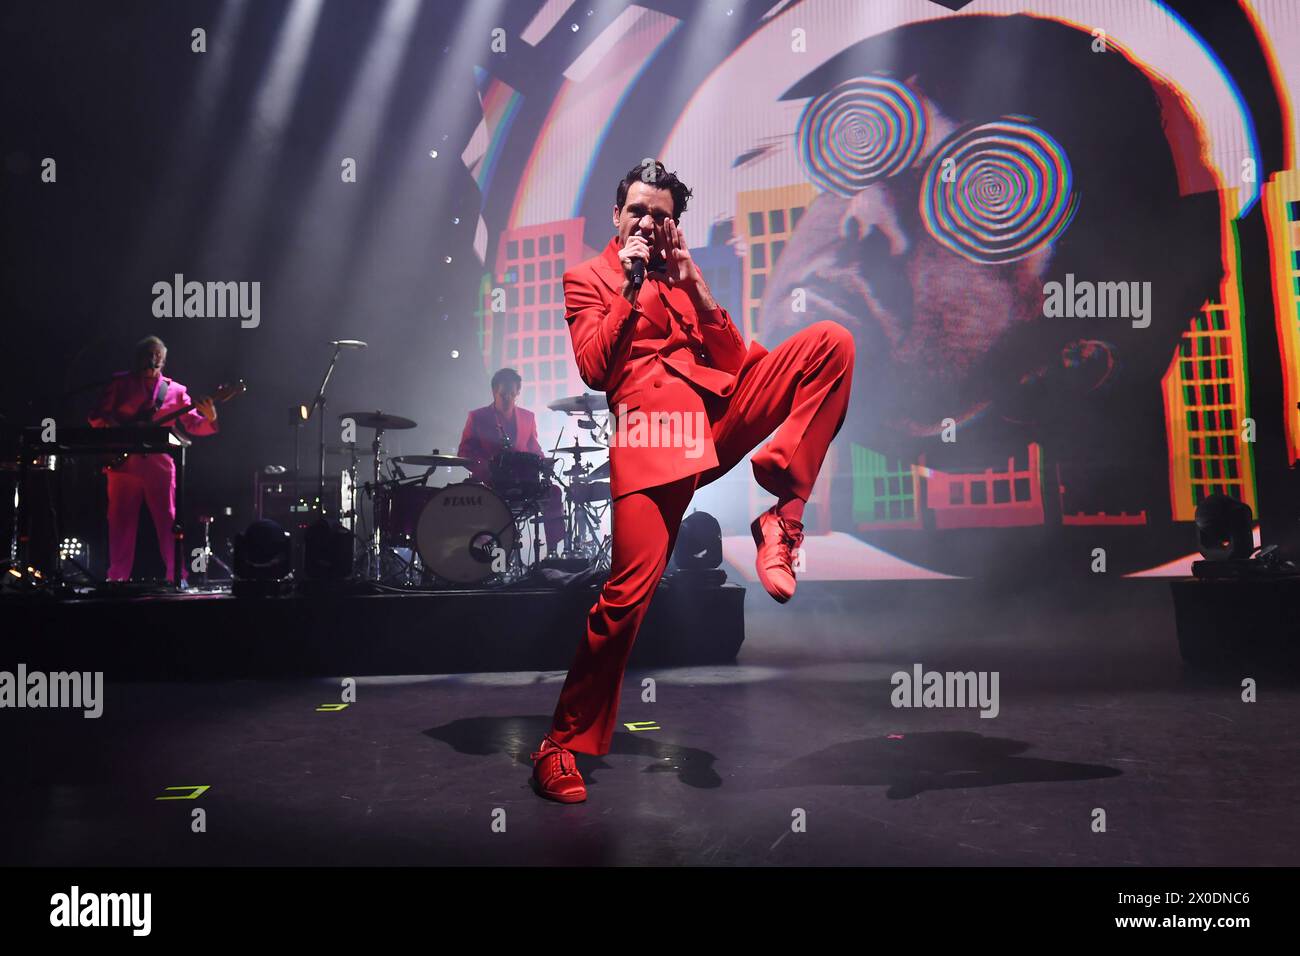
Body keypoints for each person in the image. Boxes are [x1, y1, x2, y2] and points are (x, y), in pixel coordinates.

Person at [530, 160, 854, 802]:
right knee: (625, 601)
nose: (648, 222)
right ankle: (560, 746)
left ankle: (781, 519)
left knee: (831, 343)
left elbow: (737, 362)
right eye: (638, 211)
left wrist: (698, 288)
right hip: (654, 440)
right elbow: (596, 369)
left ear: (675, 225)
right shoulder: (587, 278)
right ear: (618, 216)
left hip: (717, 416)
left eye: (662, 215)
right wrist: (627, 283)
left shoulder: (682, 278)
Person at [88, 336, 218, 582]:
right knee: (120, 523)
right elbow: (97, 417)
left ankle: (176, 576)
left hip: (159, 465)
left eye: (158, 353)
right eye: (149, 353)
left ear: (165, 359)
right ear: (138, 358)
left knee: (168, 522)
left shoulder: (177, 391)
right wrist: (121, 430)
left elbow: (193, 424)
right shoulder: (120, 384)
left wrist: (210, 417)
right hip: (123, 464)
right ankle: (117, 579)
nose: (154, 357)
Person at [456, 367, 566, 555]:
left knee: (554, 492)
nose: (508, 399)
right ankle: (486, 554)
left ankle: (553, 553)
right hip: (492, 485)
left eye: (512, 394)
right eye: (503, 394)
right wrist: (487, 468)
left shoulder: (528, 417)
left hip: (524, 484)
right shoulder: (477, 417)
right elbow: (464, 452)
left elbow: (534, 448)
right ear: (493, 392)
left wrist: (544, 461)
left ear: (518, 393)